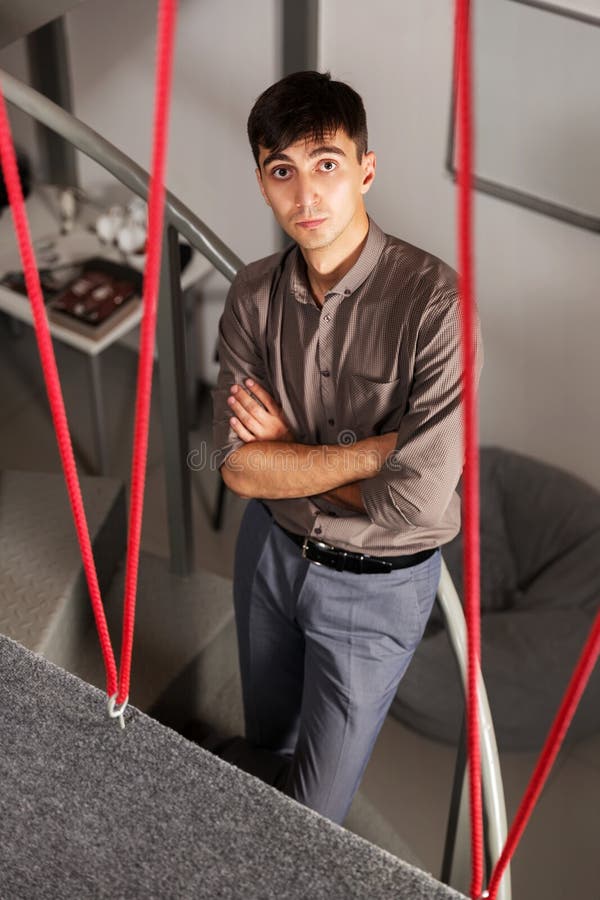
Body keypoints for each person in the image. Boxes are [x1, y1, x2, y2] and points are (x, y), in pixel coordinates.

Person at [211, 70, 482, 826]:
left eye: (326, 164)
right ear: (264, 185)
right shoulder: (250, 294)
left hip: (378, 585)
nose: (306, 196)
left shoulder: (435, 305)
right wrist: (375, 453)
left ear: (366, 168)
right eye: (282, 171)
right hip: (268, 557)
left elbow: (414, 503)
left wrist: (284, 461)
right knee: (265, 750)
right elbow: (236, 468)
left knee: (313, 811)